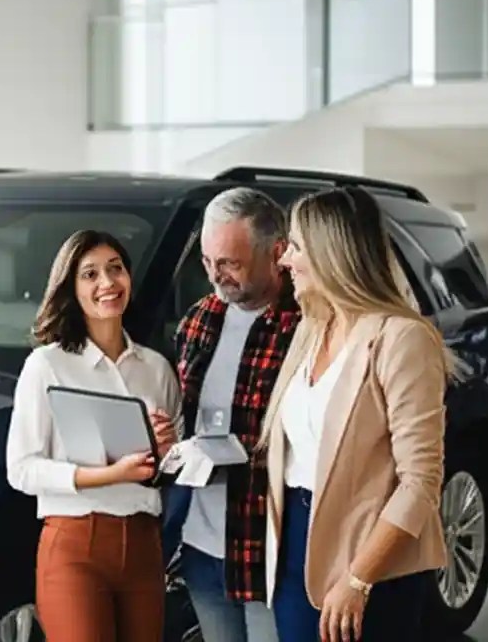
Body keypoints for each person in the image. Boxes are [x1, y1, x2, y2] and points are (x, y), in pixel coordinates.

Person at [260, 186, 451, 642]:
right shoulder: (313, 327)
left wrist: (358, 579)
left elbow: (421, 482)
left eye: (297, 246)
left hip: (371, 557)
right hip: (296, 545)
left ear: (332, 253)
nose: (284, 259)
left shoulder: (401, 338)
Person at [6, 229, 181, 642]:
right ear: (71, 288)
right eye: (90, 274)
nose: (107, 283)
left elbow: (173, 467)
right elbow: (21, 469)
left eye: (115, 269)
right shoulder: (46, 366)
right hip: (75, 546)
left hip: (143, 545)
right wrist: (110, 473)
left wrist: (168, 449)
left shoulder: (155, 369)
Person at [169, 187, 301, 642]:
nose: (215, 276)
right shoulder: (200, 318)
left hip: (271, 549)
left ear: (277, 252)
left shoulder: (307, 327)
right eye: (207, 262)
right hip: (202, 546)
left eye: (229, 263)